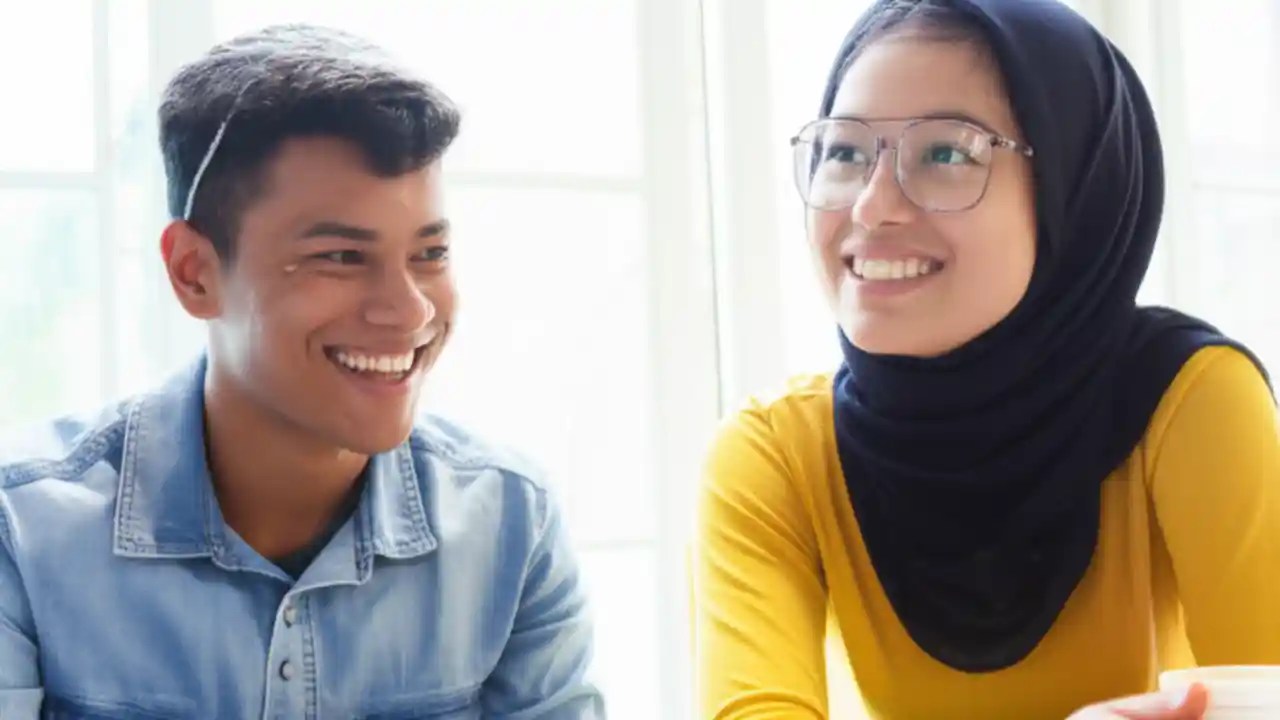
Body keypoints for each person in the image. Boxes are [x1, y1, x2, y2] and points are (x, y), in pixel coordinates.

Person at [693, 0, 1280, 718]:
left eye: (945, 153)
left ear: (1075, 189)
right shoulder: (776, 455)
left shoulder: (1187, 401)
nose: (873, 206)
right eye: (843, 152)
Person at [0, 24, 604, 719]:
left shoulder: (511, 525)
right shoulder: (23, 532)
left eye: (429, 255)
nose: (408, 313)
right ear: (194, 274)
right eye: (341, 258)